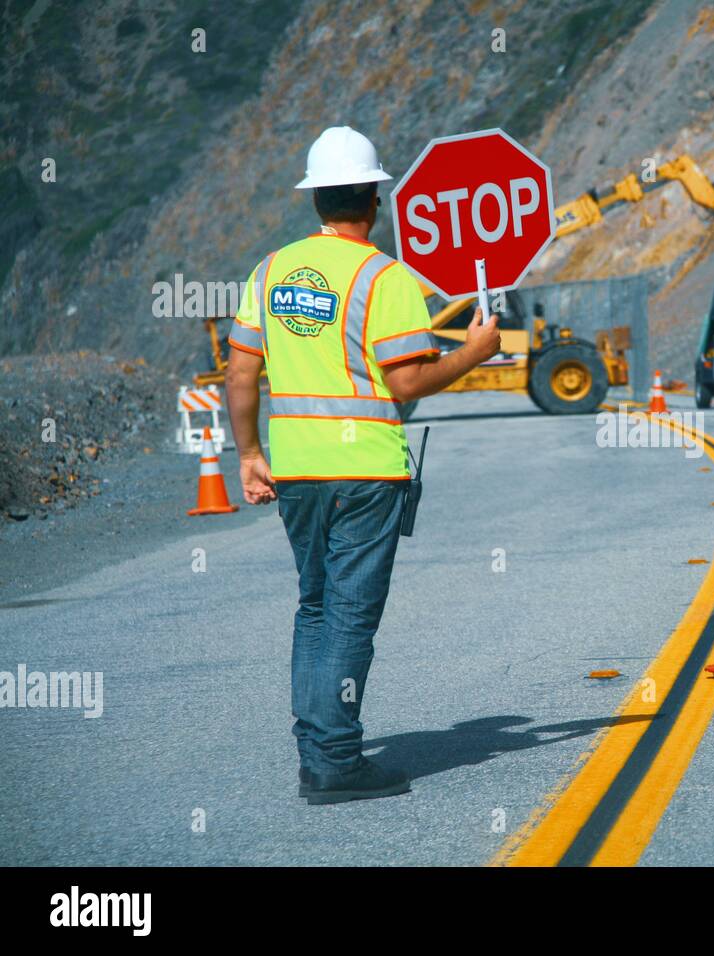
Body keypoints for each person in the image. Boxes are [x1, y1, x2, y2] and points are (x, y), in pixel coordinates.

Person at [224, 126, 502, 805]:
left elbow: (240, 375)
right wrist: (475, 351)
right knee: (349, 614)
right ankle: (335, 761)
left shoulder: (269, 272)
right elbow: (406, 382)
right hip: (366, 473)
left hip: (295, 471)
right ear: (375, 199)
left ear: (316, 199)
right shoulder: (385, 276)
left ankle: (315, 743)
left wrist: (251, 455)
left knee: (315, 606)